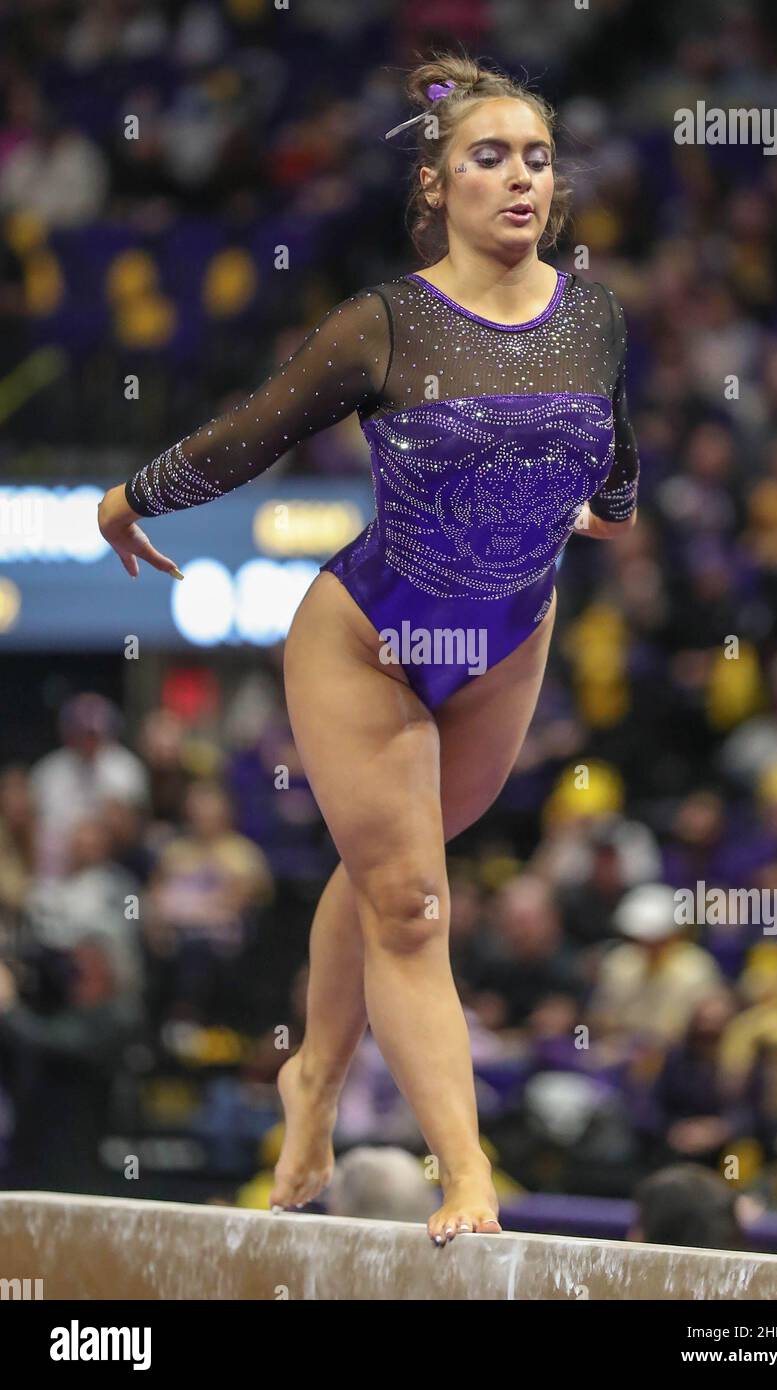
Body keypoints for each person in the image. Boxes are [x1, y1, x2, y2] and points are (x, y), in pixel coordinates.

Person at [96, 53, 640, 1245]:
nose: (519, 179)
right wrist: (129, 498)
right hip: (370, 641)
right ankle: (466, 1174)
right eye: (488, 158)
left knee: (384, 865)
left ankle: (313, 1084)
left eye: (537, 159)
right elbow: (252, 432)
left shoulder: (592, 311)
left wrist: (615, 503)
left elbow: (610, 441)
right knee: (410, 902)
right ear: (436, 188)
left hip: (507, 642)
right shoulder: (385, 322)